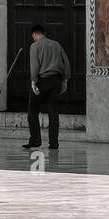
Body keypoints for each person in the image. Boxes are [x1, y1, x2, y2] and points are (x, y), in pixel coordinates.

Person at [23, 24, 71, 152]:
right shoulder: (56, 44)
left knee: (33, 110)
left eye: (33, 36)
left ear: (34, 34)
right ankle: (54, 143)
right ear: (43, 33)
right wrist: (65, 80)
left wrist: (33, 82)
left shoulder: (35, 46)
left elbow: (35, 65)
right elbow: (66, 62)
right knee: (53, 112)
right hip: (56, 81)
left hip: (42, 81)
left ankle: (35, 140)